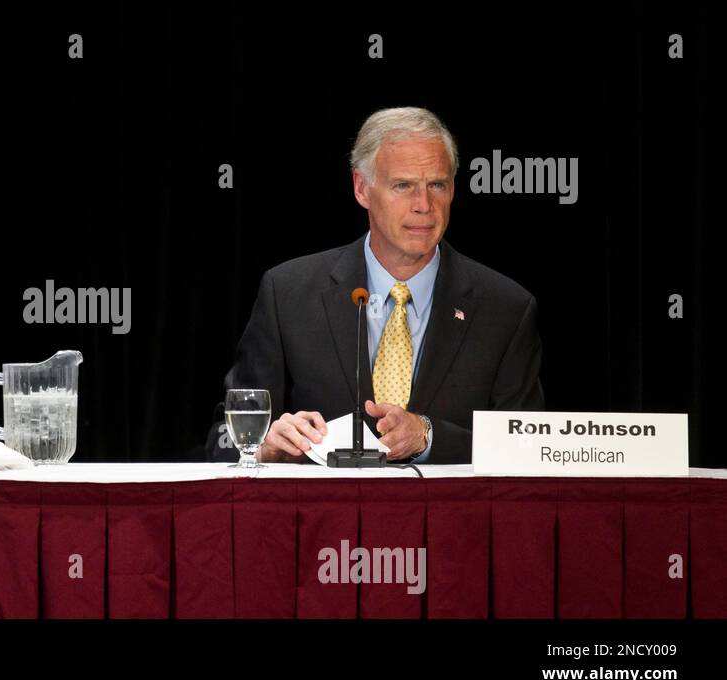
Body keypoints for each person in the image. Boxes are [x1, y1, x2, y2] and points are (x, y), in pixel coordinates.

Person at [207, 107, 544, 464]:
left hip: (449, 518)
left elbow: (526, 451)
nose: (424, 205)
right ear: (362, 189)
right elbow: (222, 438)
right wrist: (261, 445)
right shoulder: (287, 293)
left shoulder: (506, 308)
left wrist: (429, 436)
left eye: (437, 185)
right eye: (403, 185)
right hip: (322, 517)